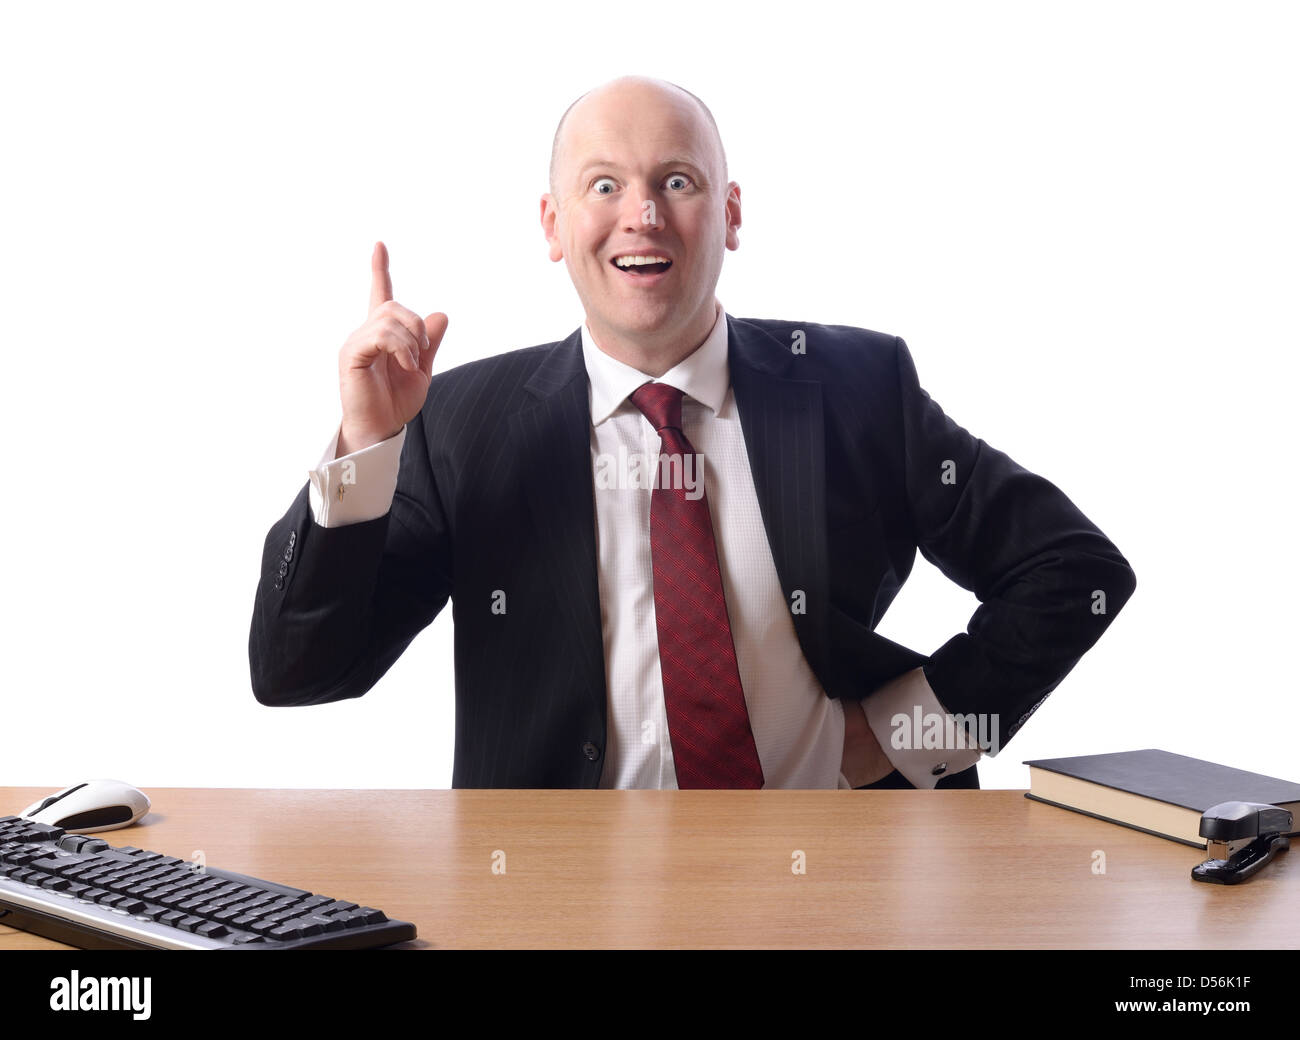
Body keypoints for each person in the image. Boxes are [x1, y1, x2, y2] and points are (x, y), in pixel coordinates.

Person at [248, 76, 1136, 790]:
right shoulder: (465, 424)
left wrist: (905, 737)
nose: (643, 214)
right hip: (558, 901)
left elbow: (1074, 573)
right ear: (554, 227)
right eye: (605, 185)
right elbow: (298, 673)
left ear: (731, 214)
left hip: (829, 878)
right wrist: (364, 447)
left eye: (678, 180)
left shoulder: (857, 389)